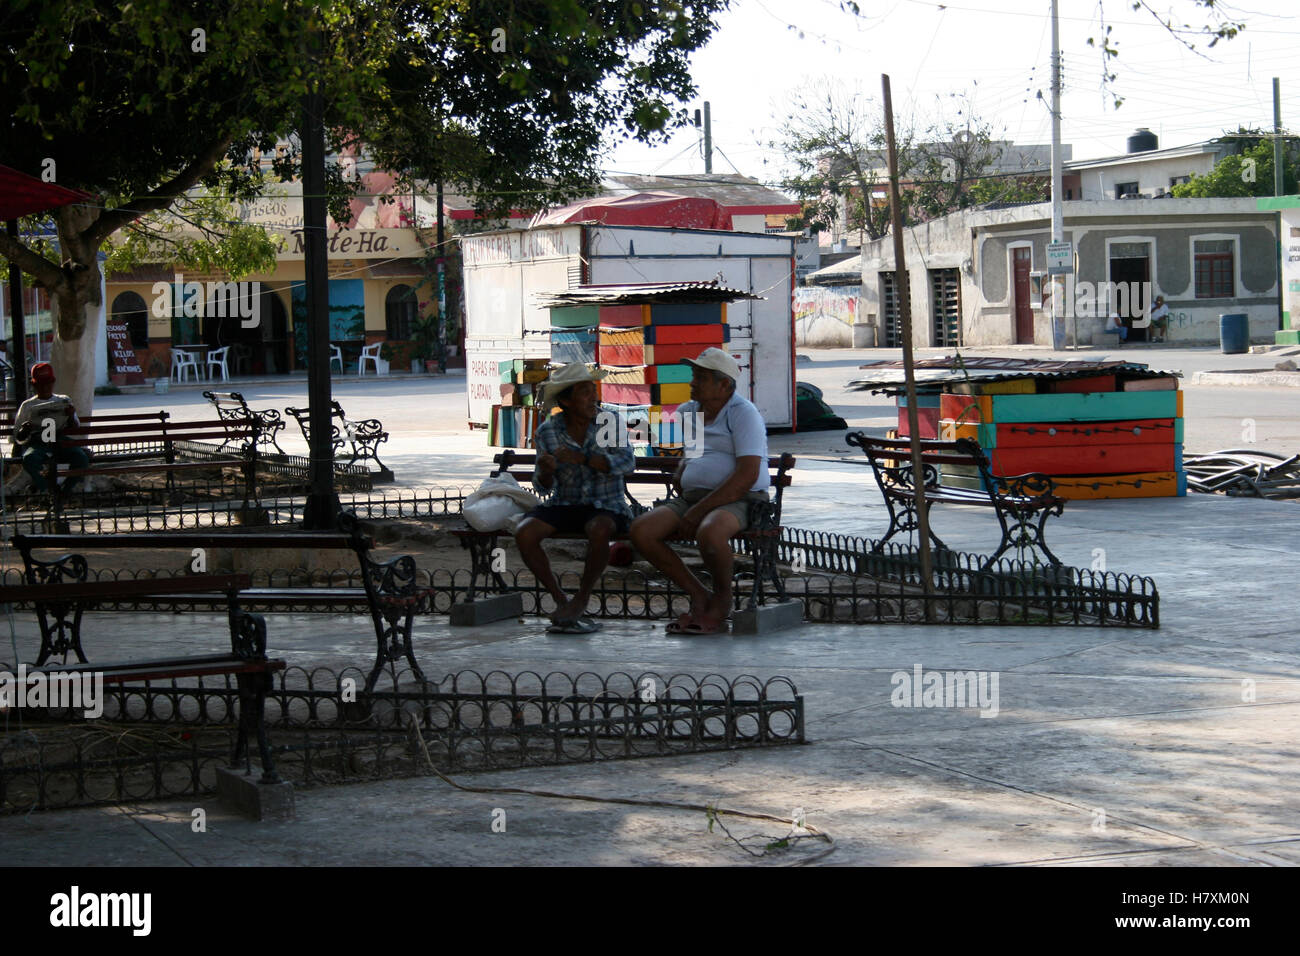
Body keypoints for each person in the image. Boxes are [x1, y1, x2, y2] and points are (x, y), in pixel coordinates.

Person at [629, 347, 769, 635]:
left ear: (724, 385)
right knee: (641, 531)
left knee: (710, 531)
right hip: (694, 498)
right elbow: (694, 454)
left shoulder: (743, 413)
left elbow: (747, 474)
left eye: (701, 378)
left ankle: (722, 599)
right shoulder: (688, 411)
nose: (692, 383)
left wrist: (700, 509)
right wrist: (683, 472)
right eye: (694, 376)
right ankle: (699, 593)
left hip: (740, 498)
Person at [514, 362, 634, 633]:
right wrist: (545, 472)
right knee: (524, 532)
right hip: (565, 504)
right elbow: (543, 487)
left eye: (593, 390)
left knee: (599, 528)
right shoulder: (548, 430)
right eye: (585, 392)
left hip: (606, 505)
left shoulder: (608, 422)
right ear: (566, 401)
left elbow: (627, 463)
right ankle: (560, 599)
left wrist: (586, 459)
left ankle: (581, 599)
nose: (594, 397)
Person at [11, 363, 91, 493]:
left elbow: (75, 425)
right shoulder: (27, 406)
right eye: (40, 384)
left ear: (53, 383)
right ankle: (49, 490)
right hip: (38, 442)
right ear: (34, 385)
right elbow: (18, 436)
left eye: (48, 383)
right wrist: (25, 430)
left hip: (60, 440)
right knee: (29, 459)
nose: (45, 387)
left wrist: (70, 415)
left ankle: (65, 492)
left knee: (81, 458)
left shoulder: (64, 400)